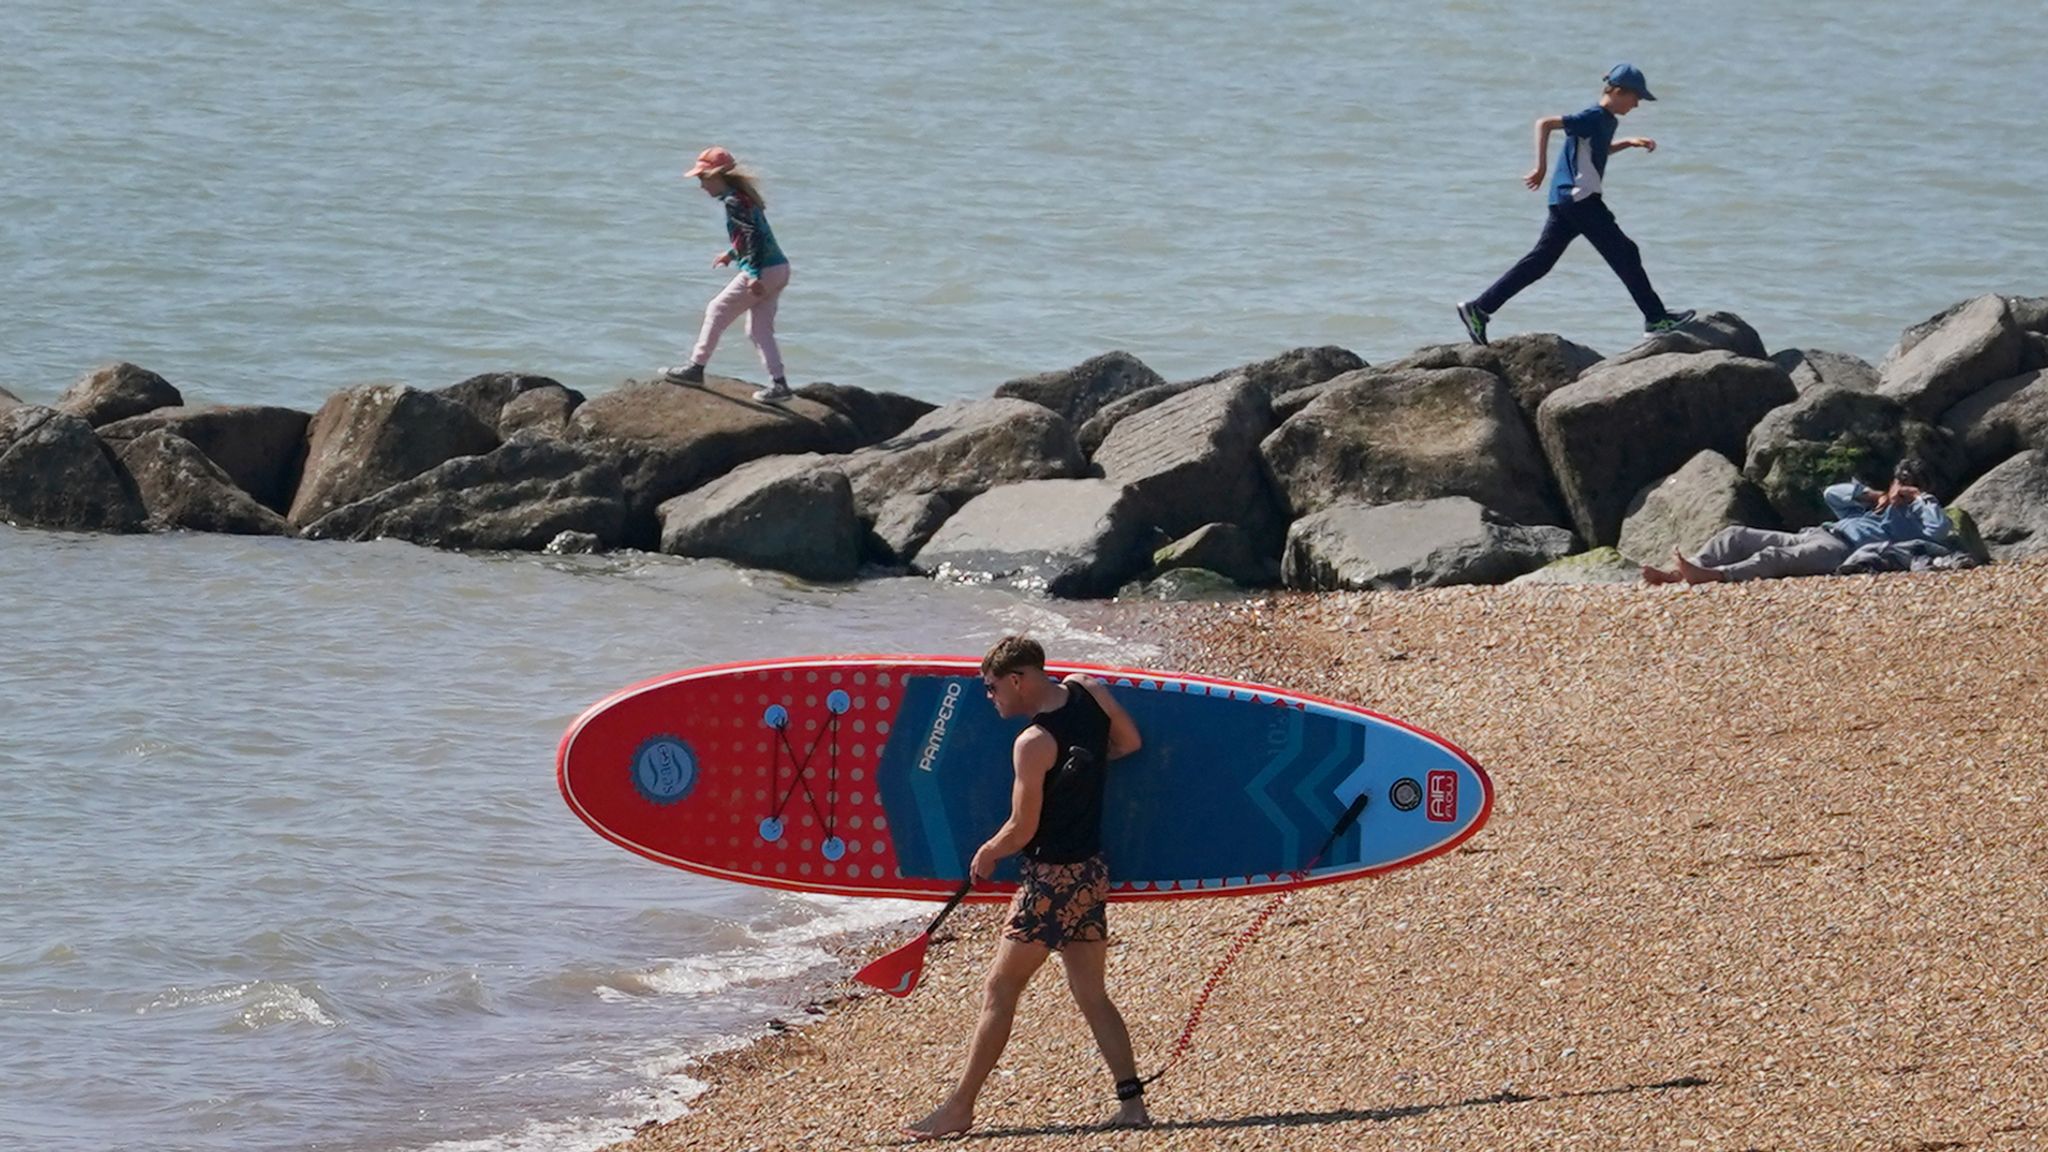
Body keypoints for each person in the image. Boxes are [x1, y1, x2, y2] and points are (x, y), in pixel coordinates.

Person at [904, 636, 1152, 1140]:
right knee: (1091, 993)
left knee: (1001, 988)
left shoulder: (1033, 742)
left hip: (1051, 880)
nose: (989, 696)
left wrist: (989, 851)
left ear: (1017, 680)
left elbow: (1022, 828)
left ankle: (959, 1108)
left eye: (992, 687)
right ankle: (1133, 1106)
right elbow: (1130, 744)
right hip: (1089, 873)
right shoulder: (1088, 690)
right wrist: (1082, 774)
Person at [1456, 64, 1695, 346]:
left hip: (1567, 201)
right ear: (1618, 91)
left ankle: (1479, 308)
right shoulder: (1592, 116)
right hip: (1580, 199)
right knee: (1626, 252)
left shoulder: (1608, 121)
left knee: (1541, 262)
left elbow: (1598, 149)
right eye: (1636, 97)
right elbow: (1545, 123)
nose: (1637, 104)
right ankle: (1656, 319)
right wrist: (1541, 167)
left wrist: (1629, 143)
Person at [1643, 459, 1950, 584]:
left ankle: (1715, 576)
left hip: (1841, 551)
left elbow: (1939, 530)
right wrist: (1874, 495)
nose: (1902, 489)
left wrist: (1921, 498)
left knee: (1773, 557)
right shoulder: (1875, 506)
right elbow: (1832, 494)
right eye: (1901, 482)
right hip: (1817, 534)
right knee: (1735, 535)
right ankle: (1680, 573)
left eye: (1910, 485)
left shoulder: (1916, 521)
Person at [660, 147, 795, 402]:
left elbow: (753, 237)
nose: (702, 186)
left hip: (764, 270)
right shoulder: (743, 198)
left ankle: (695, 368)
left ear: (718, 176)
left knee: (717, 309)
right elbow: (754, 234)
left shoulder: (735, 202)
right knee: (759, 330)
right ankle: (780, 385)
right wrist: (732, 254)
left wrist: (753, 273)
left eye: (703, 178)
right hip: (779, 268)